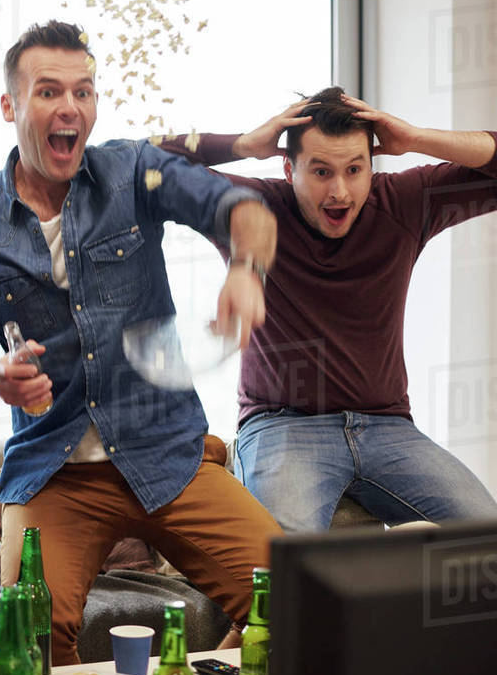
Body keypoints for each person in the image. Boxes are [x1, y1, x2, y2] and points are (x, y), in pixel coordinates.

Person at [0, 20, 285, 667]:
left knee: (298, 599)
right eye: (48, 92)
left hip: (168, 454)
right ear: (11, 107)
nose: (70, 107)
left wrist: (244, 269)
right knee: (26, 643)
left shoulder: (135, 172)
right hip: (54, 471)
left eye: (84, 91)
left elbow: (247, 212)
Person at [158, 86, 497, 532]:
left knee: (485, 538)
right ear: (288, 168)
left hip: (388, 428)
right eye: (320, 171)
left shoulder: (404, 202)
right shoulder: (249, 208)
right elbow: (142, 167)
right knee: (281, 569)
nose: (339, 191)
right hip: (282, 428)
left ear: (372, 167)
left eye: (354, 169)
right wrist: (243, 145)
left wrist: (414, 138)